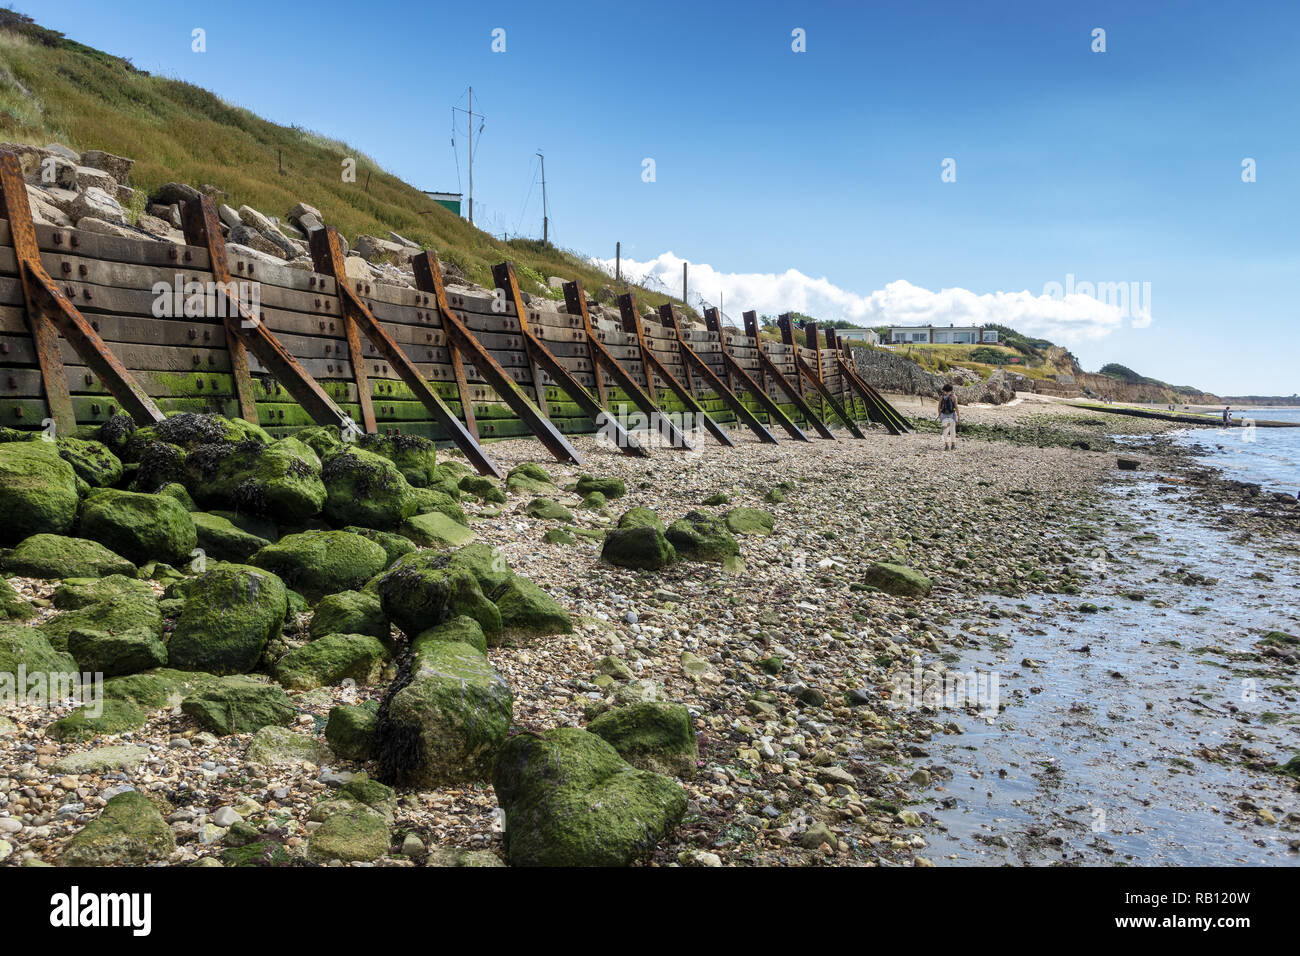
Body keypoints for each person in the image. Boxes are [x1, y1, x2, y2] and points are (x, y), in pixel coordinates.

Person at [938, 384, 959, 450]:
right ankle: (953, 445)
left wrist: (939, 415)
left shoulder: (941, 397)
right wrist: (958, 416)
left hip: (944, 415)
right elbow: (956, 407)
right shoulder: (954, 397)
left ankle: (946, 446)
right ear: (951, 390)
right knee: (952, 430)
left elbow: (939, 407)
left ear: (944, 390)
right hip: (952, 415)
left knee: (945, 431)